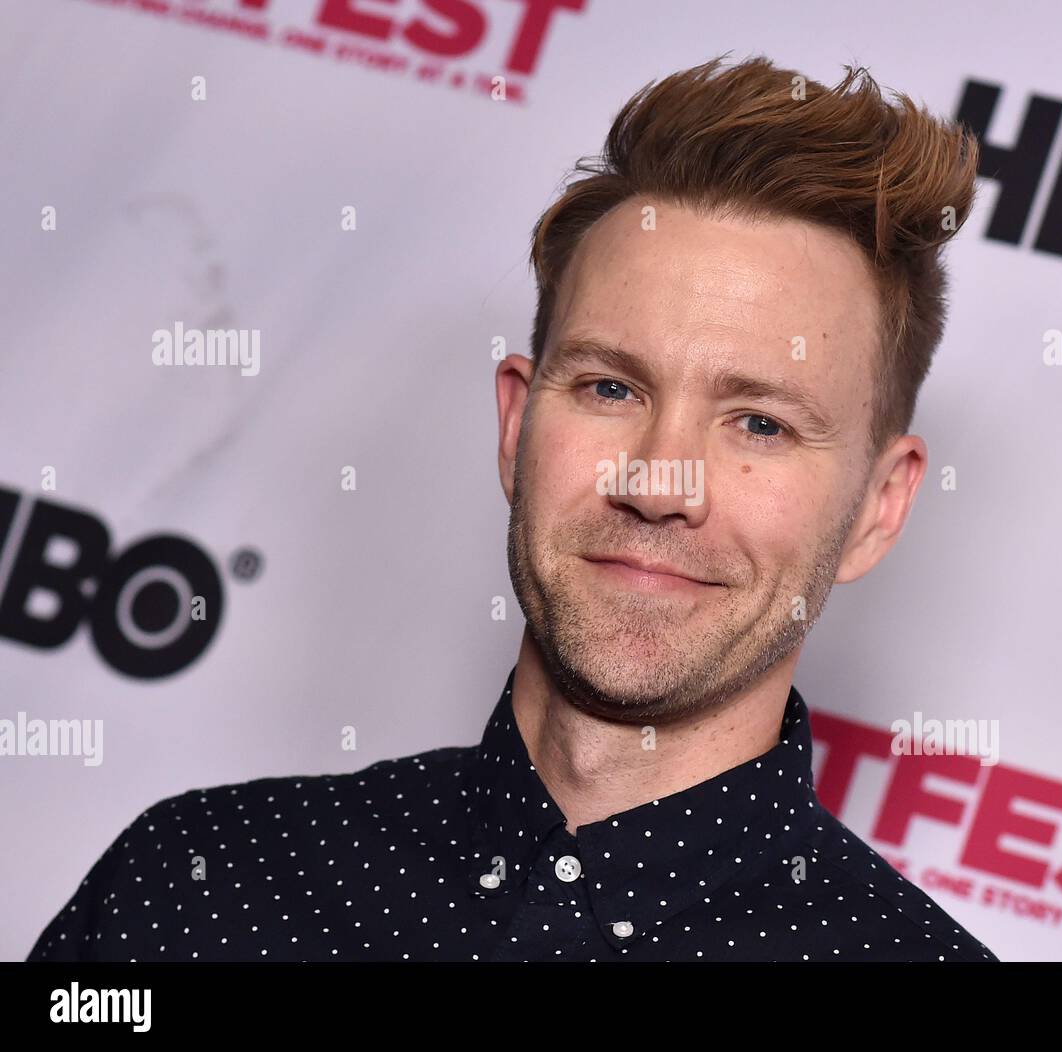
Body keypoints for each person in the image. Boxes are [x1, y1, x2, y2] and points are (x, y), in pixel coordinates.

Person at [29, 53, 996, 962]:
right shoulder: (198, 884)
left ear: (879, 505)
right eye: (612, 390)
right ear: (515, 425)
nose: (661, 485)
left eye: (760, 425)